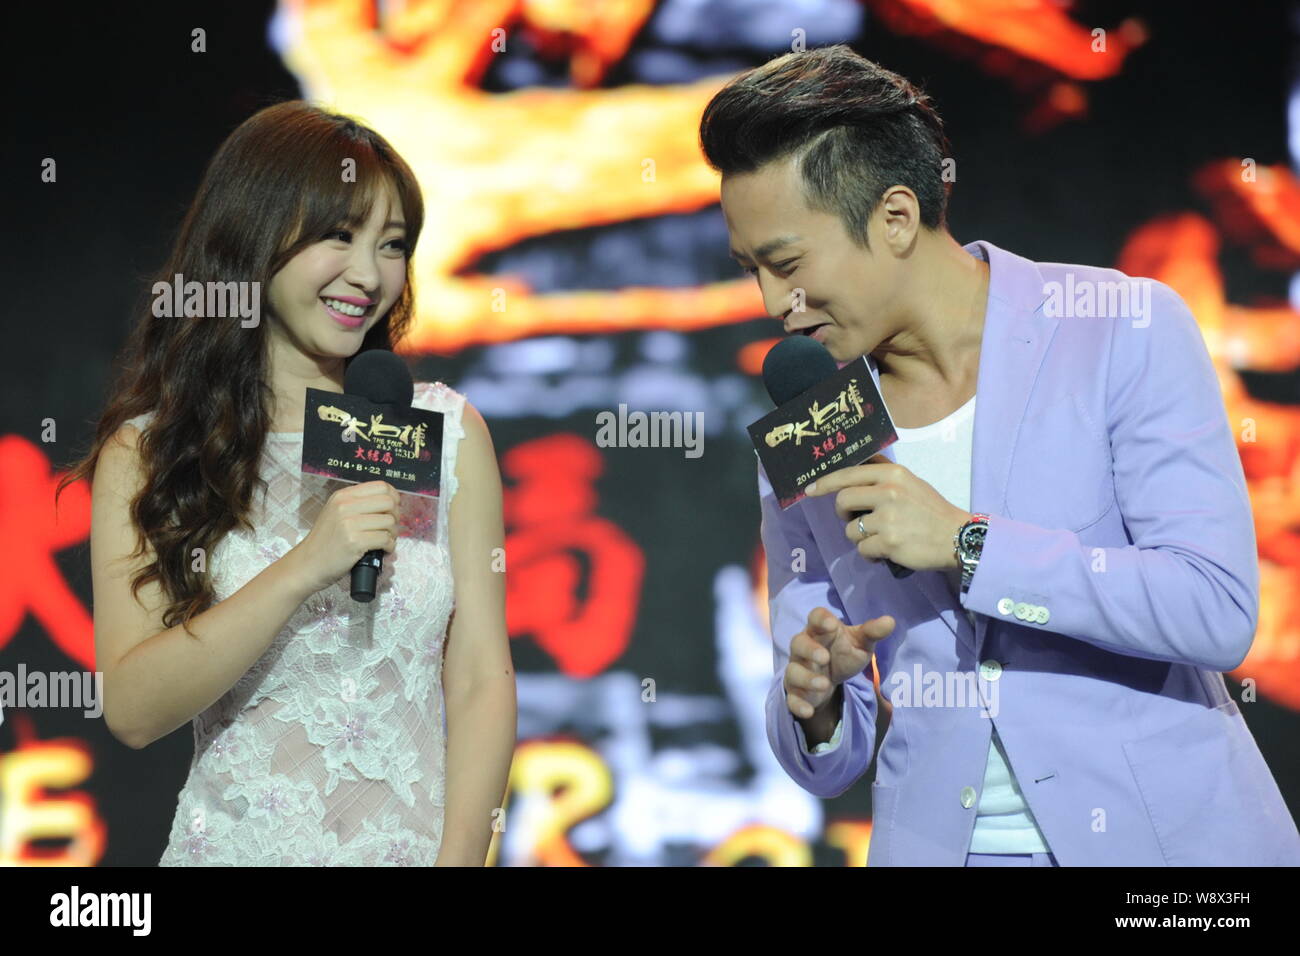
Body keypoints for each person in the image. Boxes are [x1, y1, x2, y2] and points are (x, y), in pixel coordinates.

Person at [700, 45, 1300, 866]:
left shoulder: (1118, 326)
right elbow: (830, 757)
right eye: (751, 269)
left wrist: (967, 544)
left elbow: (1215, 609)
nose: (773, 303)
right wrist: (815, 703)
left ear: (897, 217)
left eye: (788, 264)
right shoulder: (813, 427)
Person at [56, 101, 515, 866]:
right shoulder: (153, 449)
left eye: (391, 245)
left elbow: (479, 677)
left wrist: (463, 858)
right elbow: (134, 710)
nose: (367, 275)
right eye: (339, 235)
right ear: (255, 235)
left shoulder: (446, 432)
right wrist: (304, 566)